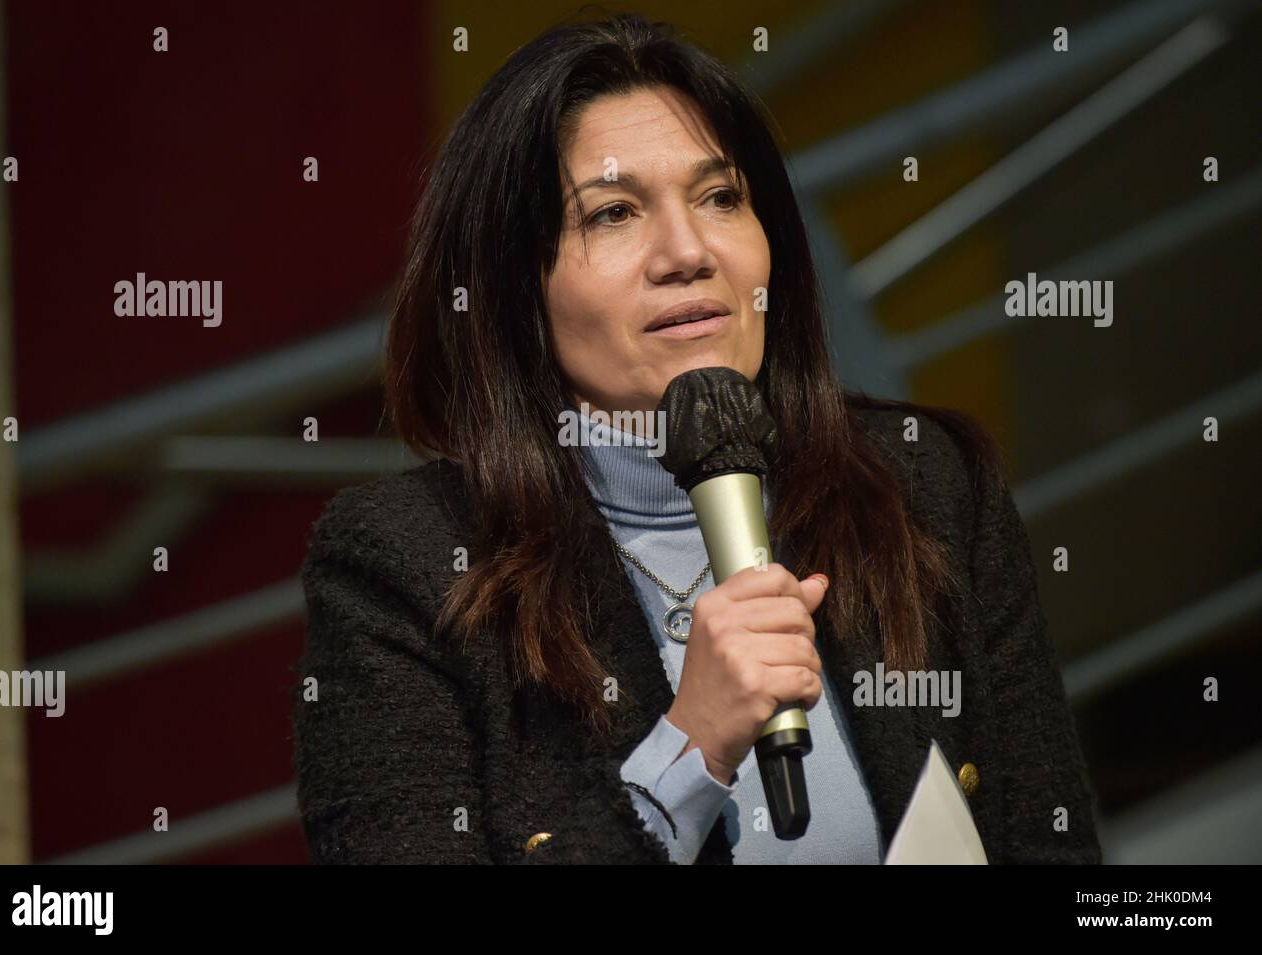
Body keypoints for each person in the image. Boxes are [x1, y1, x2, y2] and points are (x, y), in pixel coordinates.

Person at [291, 12, 1102, 865]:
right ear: (510, 286)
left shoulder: (926, 482)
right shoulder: (404, 570)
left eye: (721, 197)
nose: (687, 251)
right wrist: (688, 753)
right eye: (613, 213)